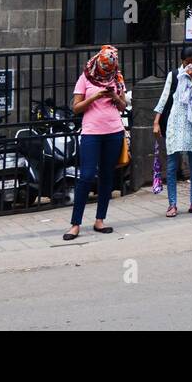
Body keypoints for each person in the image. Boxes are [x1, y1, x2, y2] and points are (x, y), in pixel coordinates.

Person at [64, 44, 128, 240]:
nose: (106, 72)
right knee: (87, 175)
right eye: (104, 68)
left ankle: (100, 220)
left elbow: (123, 107)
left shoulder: (117, 78)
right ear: (98, 62)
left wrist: (115, 96)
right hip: (92, 133)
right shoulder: (85, 77)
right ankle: (75, 224)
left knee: (107, 176)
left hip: (114, 132)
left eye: (110, 69)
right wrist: (96, 96)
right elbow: (76, 108)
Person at [152, 46, 192, 216]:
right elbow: (164, 98)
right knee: (171, 165)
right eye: (187, 62)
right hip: (176, 121)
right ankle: (172, 204)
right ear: (182, 61)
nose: (190, 65)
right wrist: (156, 122)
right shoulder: (173, 75)